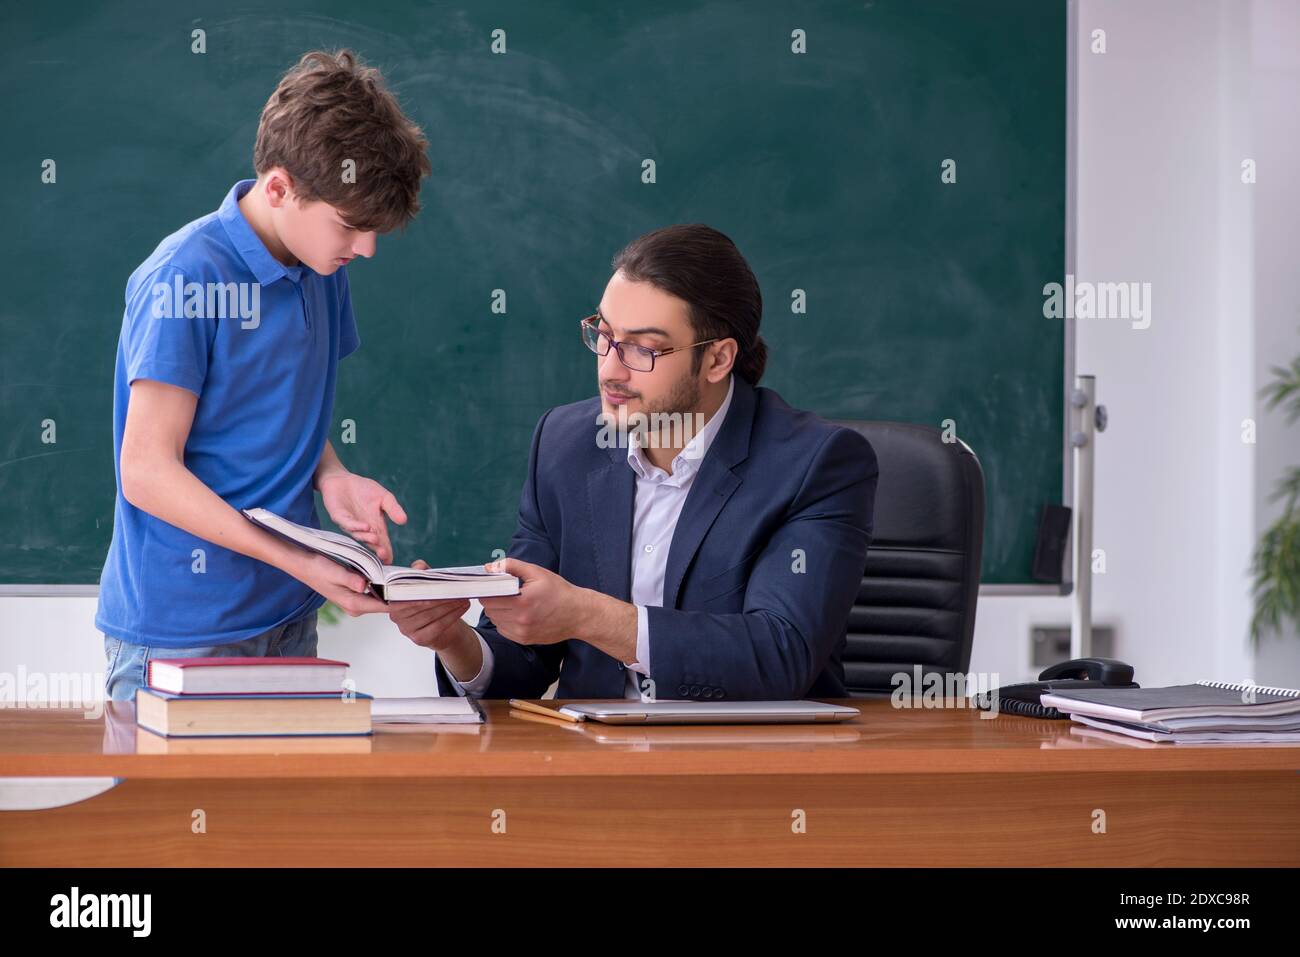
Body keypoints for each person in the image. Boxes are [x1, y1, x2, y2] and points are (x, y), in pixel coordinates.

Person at [389, 224, 878, 701]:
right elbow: (524, 665)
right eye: (603, 335)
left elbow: (779, 656)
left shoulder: (817, 463)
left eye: (642, 348)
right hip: (596, 766)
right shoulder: (564, 445)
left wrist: (588, 616)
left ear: (717, 360)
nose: (609, 369)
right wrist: (452, 640)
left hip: (746, 765)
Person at [99, 50, 431, 701]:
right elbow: (145, 470)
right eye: (351, 227)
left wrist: (331, 476)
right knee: (176, 809)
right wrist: (299, 559)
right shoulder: (185, 276)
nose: (365, 249)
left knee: (282, 807)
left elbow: (280, 408)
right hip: (183, 630)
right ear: (279, 188)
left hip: (285, 615)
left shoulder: (321, 266)